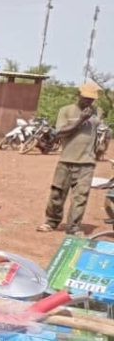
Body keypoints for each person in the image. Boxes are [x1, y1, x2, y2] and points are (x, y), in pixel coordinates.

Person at [38, 81, 102, 236]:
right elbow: (60, 133)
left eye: (91, 99)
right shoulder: (66, 111)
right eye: (86, 98)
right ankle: (51, 222)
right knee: (57, 194)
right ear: (78, 94)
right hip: (66, 160)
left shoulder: (98, 111)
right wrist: (81, 120)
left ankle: (73, 227)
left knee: (81, 197)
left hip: (87, 162)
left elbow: (98, 132)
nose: (88, 101)